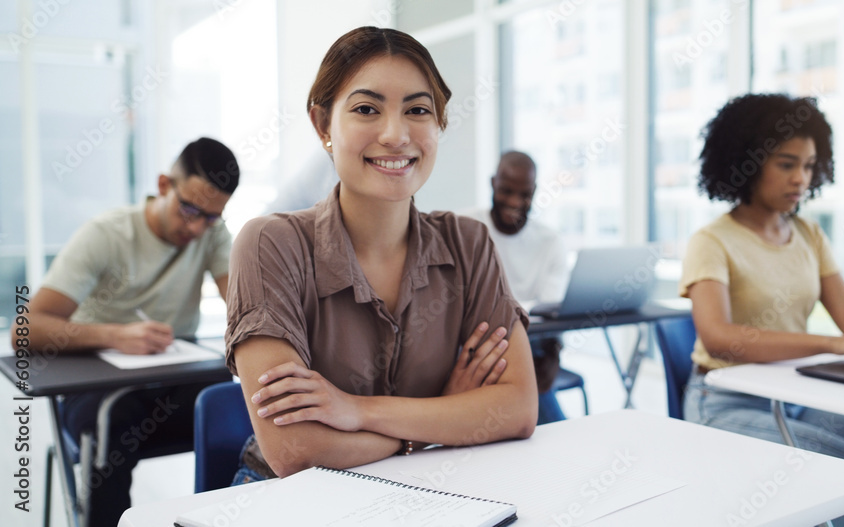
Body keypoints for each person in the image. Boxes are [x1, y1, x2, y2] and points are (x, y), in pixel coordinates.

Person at [225, 26, 537, 482]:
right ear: (322, 125)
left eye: (417, 110)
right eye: (367, 109)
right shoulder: (270, 244)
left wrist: (356, 411)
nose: (395, 134)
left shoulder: (469, 243)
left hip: (432, 489)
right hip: (294, 500)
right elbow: (293, 449)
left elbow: (517, 409)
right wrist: (439, 422)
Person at [680, 93, 844, 526]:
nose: (800, 178)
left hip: (792, 397)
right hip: (725, 402)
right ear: (747, 162)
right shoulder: (712, 241)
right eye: (786, 164)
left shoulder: (809, 234)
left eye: (808, 166)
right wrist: (836, 345)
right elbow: (720, 338)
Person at [15, 137, 239, 527]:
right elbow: (25, 329)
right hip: (99, 388)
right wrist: (115, 336)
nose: (197, 227)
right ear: (164, 185)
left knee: (235, 408)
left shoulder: (211, 235)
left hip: (171, 383)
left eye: (210, 217)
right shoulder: (107, 234)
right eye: (189, 209)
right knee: (114, 424)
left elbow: (242, 305)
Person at [461, 150, 571, 424]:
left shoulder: (550, 241)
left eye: (524, 195)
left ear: (534, 192)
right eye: (506, 191)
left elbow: (552, 311)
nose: (514, 202)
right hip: (474, 350)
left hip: (531, 352)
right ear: (492, 184)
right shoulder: (464, 228)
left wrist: (554, 354)